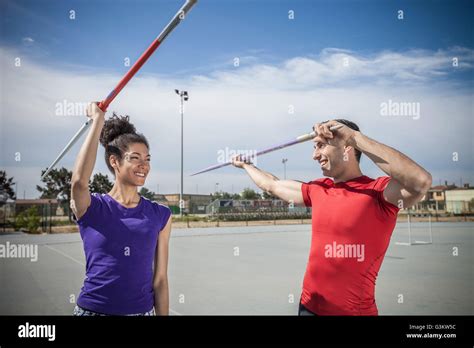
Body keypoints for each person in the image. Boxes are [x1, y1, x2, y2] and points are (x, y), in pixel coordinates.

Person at [231, 119, 432, 315]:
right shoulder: (318, 189)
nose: (314, 155)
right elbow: (272, 185)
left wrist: (353, 137)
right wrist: (246, 166)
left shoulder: (377, 192)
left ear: (347, 147)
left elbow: (420, 182)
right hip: (308, 306)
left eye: (320, 146)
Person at [70, 102, 172, 316]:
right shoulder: (92, 207)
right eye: (135, 158)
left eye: (147, 159)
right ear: (114, 161)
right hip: (93, 311)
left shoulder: (160, 215)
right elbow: (79, 182)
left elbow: (160, 279)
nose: (144, 165)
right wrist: (98, 121)